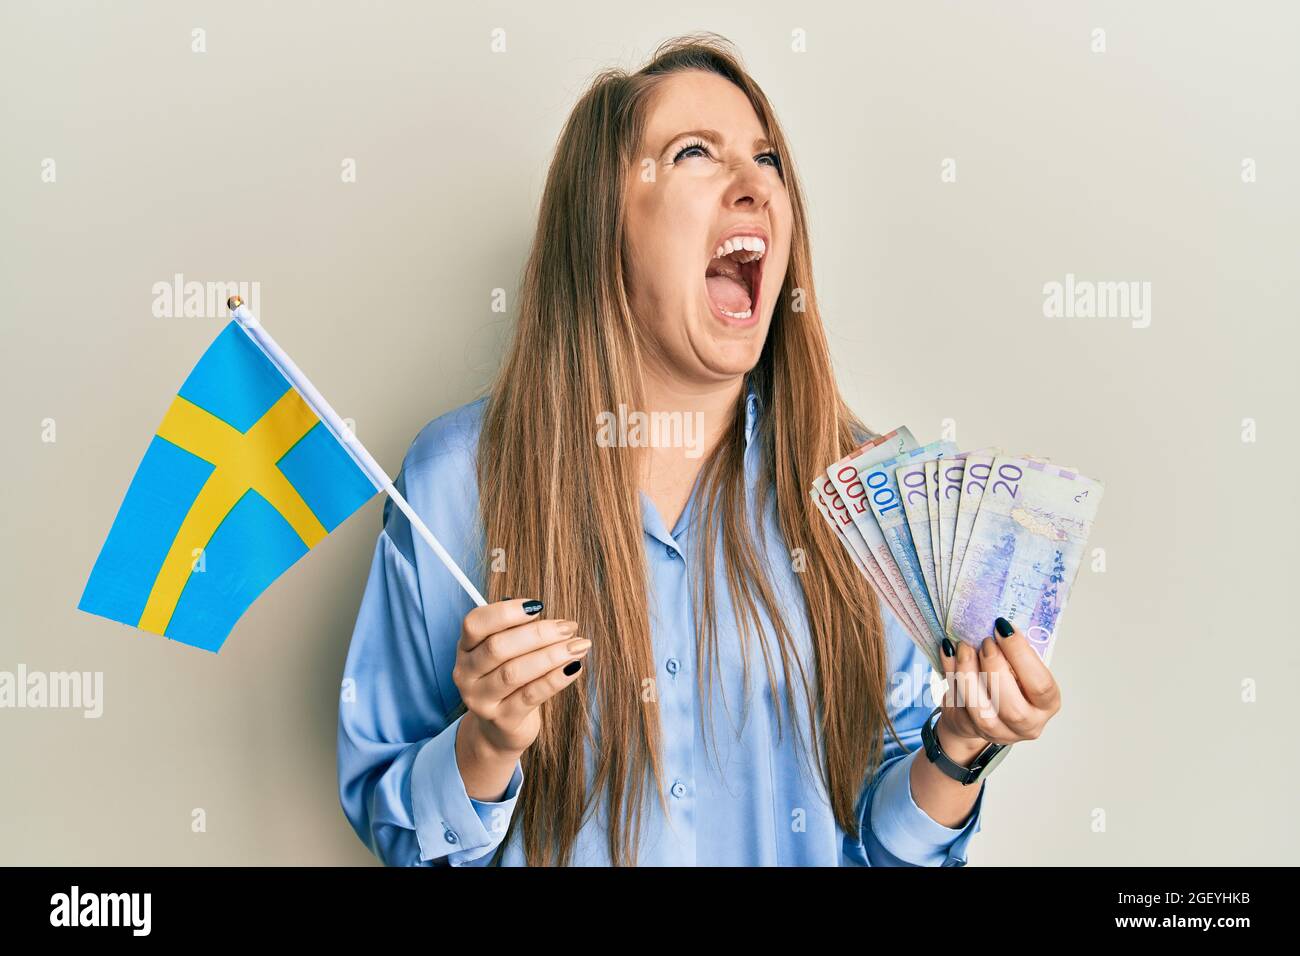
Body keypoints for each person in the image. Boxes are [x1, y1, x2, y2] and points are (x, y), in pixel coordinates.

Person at [337, 33, 1061, 867]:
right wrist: (488, 744)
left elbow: (888, 851)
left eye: (767, 160)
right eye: (694, 154)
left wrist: (959, 745)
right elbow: (399, 834)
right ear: (605, 224)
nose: (757, 185)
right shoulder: (455, 480)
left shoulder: (869, 495)